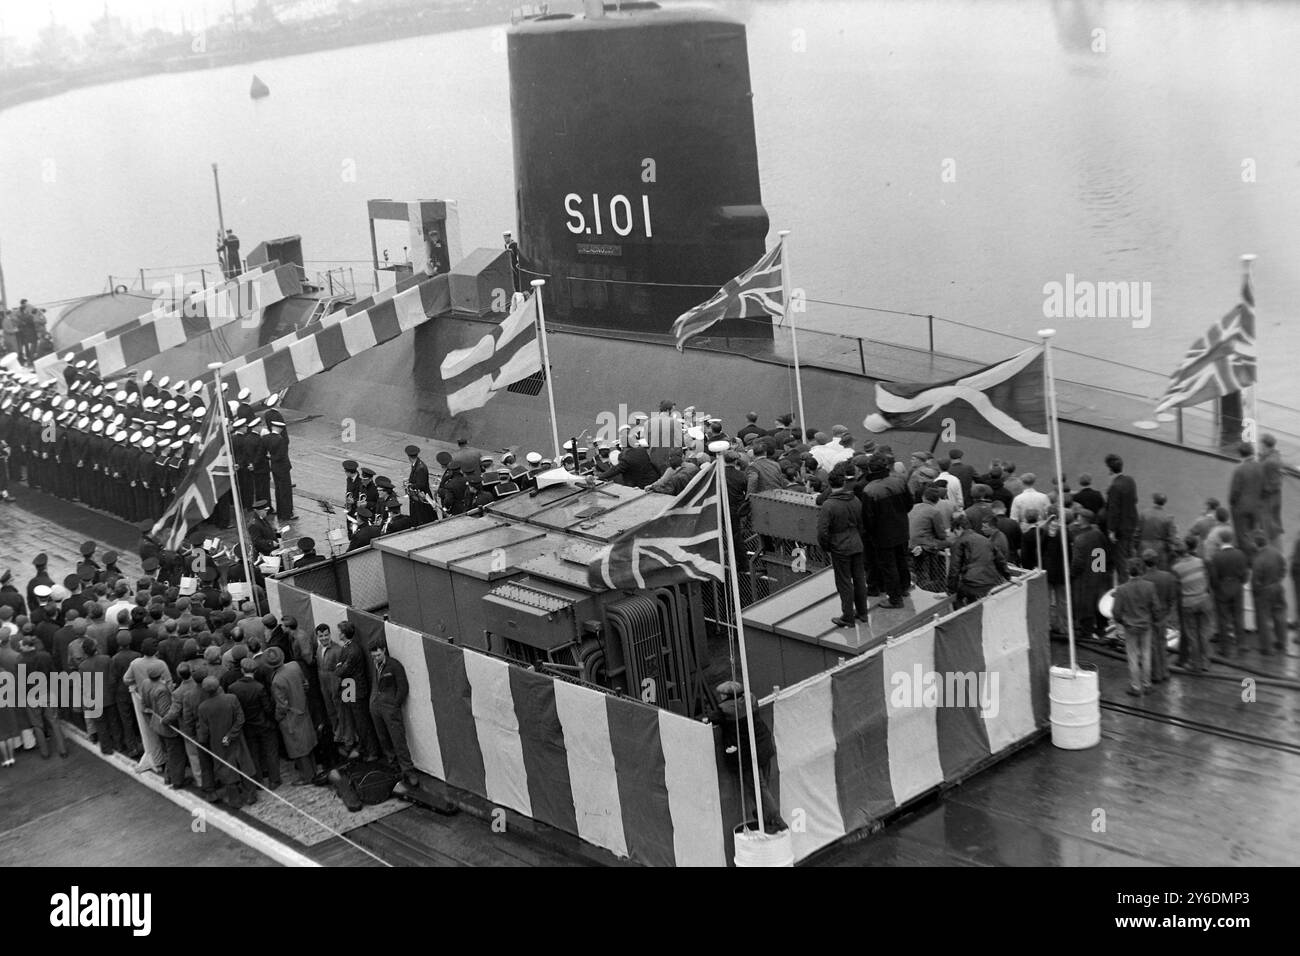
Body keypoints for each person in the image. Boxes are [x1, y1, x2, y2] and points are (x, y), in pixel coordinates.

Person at [709, 680, 784, 831]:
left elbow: (712, 717)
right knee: (765, 785)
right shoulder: (752, 700)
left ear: (727, 695)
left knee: (759, 788)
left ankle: (775, 819)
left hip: (747, 754)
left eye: (722, 694)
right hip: (763, 746)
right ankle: (765, 815)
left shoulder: (725, 710)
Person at [195, 677, 258, 807]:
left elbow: (204, 731)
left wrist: (202, 742)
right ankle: (250, 795)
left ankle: (235, 800)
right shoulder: (231, 699)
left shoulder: (203, 707)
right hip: (236, 739)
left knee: (226, 769)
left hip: (217, 743)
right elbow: (240, 719)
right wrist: (231, 735)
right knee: (244, 764)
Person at [860, 453, 912, 607]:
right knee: (902, 560)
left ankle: (895, 599)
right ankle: (904, 589)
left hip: (882, 535)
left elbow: (868, 518)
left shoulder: (869, 490)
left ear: (870, 469)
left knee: (889, 566)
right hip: (902, 529)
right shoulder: (900, 482)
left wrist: (870, 533)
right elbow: (909, 504)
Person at [818, 472, 869, 628]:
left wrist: (827, 546)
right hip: (856, 543)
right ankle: (863, 613)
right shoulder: (855, 499)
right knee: (860, 579)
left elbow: (822, 531)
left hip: (839, 546)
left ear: (829, 484)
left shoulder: (828, 505)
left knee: (844, 581)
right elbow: (862, 522)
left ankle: (848, 616)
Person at [369, 642, 418, 787]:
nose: (376, 658)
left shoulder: (394, 666)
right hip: (376, 706)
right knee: (383, 737)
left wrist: (394, 704)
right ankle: (393, 763)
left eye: (378, 655)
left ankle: (408, 770)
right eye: (374, 656)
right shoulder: (375, 664)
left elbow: (403, 688)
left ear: (384, 651)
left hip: (389, 707)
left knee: (398, 739)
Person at [267, 646, 318, 784]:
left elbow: (281, 705)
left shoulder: (277, 680)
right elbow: (305, 684)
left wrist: (277, 717)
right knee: (307, 743)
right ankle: (313, 770)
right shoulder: (294, 665)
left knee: (298, 748)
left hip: (290, 717)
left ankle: (307, 777)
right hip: (303, 708)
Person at [229, 657, 281, 789]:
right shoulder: (259, 687)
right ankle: (274, 779)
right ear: (255, 670)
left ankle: (258, 781)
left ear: (242, 670)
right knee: (271, 751)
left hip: (247, 726)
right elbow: (268, 708)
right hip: (263, 724)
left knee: (253, 753)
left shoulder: (233, 688)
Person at [1111, 558, 1161, 696]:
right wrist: (1154, 619)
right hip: (1146, 625)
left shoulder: (1121, 589)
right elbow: (1156, 607)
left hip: (1130, 627)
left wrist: (1122, 622)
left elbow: (1116, 611)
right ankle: (1147, 684)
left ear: (1128, 571)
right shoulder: (1150, 586)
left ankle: (1135, 687)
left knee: (1133, 657)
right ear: (1141, 570)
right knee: (1146, 655)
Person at [333, 621, 379, 760]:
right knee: (356, 719)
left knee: (362, 721)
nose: (338, 633)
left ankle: (372, 751)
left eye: (340, 631)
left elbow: (340, 670)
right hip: (350, 687)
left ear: (344, 633)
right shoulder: (348, 648)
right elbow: (340, 668)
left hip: (355, 688)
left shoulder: (352, 650)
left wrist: (339, 668)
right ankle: (364, 747)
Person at [947, 512, 1008, 607]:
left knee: (958, 598)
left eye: (955, 532)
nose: (956, 536)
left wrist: (950, 590)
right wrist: (1008, 577)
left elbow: (954, 569)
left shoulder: (959, 543)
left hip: (972, 584)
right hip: (991, 582)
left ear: (959, 528)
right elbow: (1000, 560)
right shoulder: (986, 540)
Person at [1170, 539, 1213, 672]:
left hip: (1188, 603)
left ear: (1177, 554)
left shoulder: (1176, 568)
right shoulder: (1199, 562)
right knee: (1204, 633)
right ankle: (1206, 662)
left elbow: (1176, 589)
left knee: (1192, 635)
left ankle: (1195, 664)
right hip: (1204, 600)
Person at [1069, 510, 1111, 640]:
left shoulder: (1080, 539)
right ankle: (1101, 627)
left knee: (1084, 603)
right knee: (1099, 599)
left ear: (1082, 519)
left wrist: (1071, 575)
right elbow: (1105, 552)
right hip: (1099, 571)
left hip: (1085, 577)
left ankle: (1086, 631)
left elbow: (1078, 562)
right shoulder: (1098, 534)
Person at [1207, 528, 1249, 657]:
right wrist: (1240, 583)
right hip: (1237, 587)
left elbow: (1213, 577)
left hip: (1222, 589)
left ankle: (1225, 649)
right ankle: (1241, 645)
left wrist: (1217, 588)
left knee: (1223, 620)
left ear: (1220, 540)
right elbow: (1245, 574)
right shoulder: (1240, 554)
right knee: (1238, 617)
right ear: (1231, 539)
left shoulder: (1216, 557)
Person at [1140, 549, 1178, 683]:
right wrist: (1167, 613)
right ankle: (1165, 672)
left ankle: (1156, 674)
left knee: (1152, 645)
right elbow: (1172, 598)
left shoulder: (1143, 580)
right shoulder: (1168, 576)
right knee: (1162, 643)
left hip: (1149, 616)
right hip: (1163, 615)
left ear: (1144, 563)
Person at [1249, 531, 1287, 655]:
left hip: (1265, 591)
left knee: (1263, 619)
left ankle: (1267, 648)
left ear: (1256, 544)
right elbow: (1284, 568)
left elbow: (1255, 581)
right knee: (1279, 615)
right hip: (1278, 587)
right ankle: (1282, 642)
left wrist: (1256, 593)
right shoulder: (1276, 552)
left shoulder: (1258, 559)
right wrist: (1279, 579)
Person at [1103, 454, 1139, 582]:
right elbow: (1135, 500)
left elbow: (1114, 511)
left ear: (1110, 470)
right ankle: (1134, 578)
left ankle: (1124, 585)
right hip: (1132, 524)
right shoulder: (1130, 480)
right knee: (1130, 555)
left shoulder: (1114, 487)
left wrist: (1111, 530)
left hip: (1120, 529)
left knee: (1120, 559)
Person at [1228, 442, 1266, 558]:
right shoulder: (1260, 467)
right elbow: (1264, 488)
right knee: (1253, 533)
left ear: (1240, 454)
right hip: (1256, 507)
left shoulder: (1239, 469)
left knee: (1241, 535)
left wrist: (1232, 503)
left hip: (1241, 507)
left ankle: (1246, 559)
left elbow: (1235, 491)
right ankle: (1256, 554)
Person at [1137, 493, 1178, 570]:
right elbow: (1171, 538)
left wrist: (1136, 546)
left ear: (1154, 501)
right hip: (1160, 550)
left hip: (1143, 548)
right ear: (1164, 503)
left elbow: (1137, 533)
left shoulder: (1143, 514)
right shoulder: (1168, 517)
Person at [265, 419, 295, 520]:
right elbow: (281, 455)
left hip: (274, 467)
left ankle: (280, 511)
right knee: (285, 491)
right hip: (283, 468)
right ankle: (286, 514)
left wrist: (269, 457)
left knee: (278, 490)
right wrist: (272, 457)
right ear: (279, 429)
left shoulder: (267, 438)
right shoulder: (281, 440)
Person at [1258, 434, 1284, 542]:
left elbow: (1270, 483)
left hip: (1268, 497)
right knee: (1273, 517)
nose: (1259, 447)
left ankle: (1267, 541)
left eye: (1260, 445)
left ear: (1264, 445)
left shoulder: (1269, 462)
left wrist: (1261, 491)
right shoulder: (1276, 456)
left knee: (1266, 521)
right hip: (1276, 496)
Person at [405, 445, 436, 525]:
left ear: (409, 456)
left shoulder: (420, 468)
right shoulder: (416, 464)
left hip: (422, 497)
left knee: (423, 517)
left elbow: (421, 484)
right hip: (418, 497)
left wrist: (410, 485)